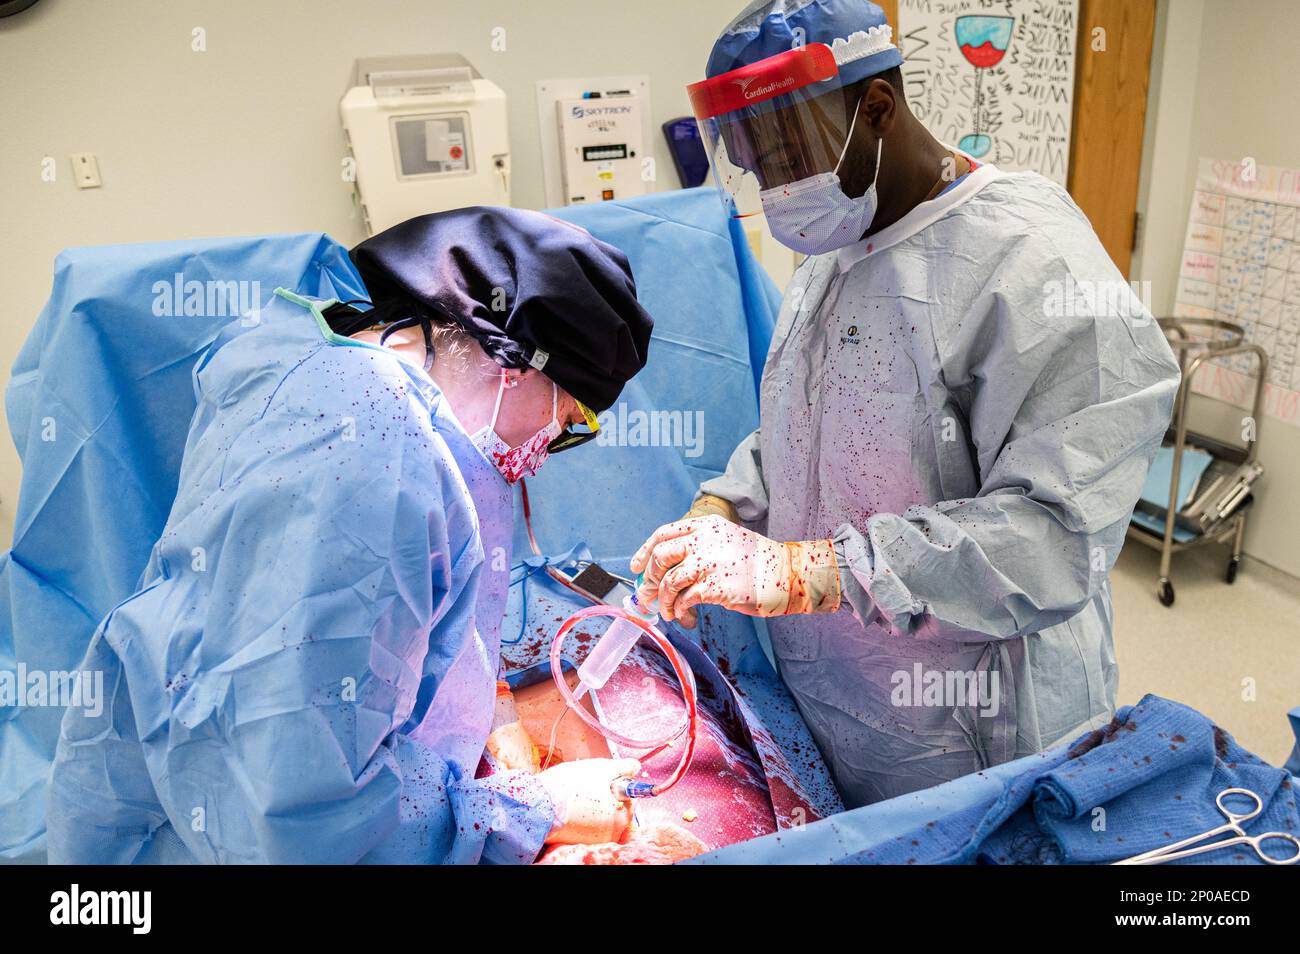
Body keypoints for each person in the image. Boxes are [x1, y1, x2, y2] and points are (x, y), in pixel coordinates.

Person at [632, 0, 1182, 808]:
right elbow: (807, 415)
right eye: (758, 168)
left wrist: (803, 570)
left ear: (876, 108)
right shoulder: (843, 239)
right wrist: (727, 505)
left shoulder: (1033, 263)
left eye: (788, 158)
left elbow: (1053, 539)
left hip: (971, 733)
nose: (779, 190)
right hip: (840, 700)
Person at [47, 207, 653, 863]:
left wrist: (487, 716)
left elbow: (350, 647)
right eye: (570, 413)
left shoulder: (309, 360)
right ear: (514, 363)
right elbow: (309, 815)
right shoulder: (378, 462)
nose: (546, 447)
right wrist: (530, 812)